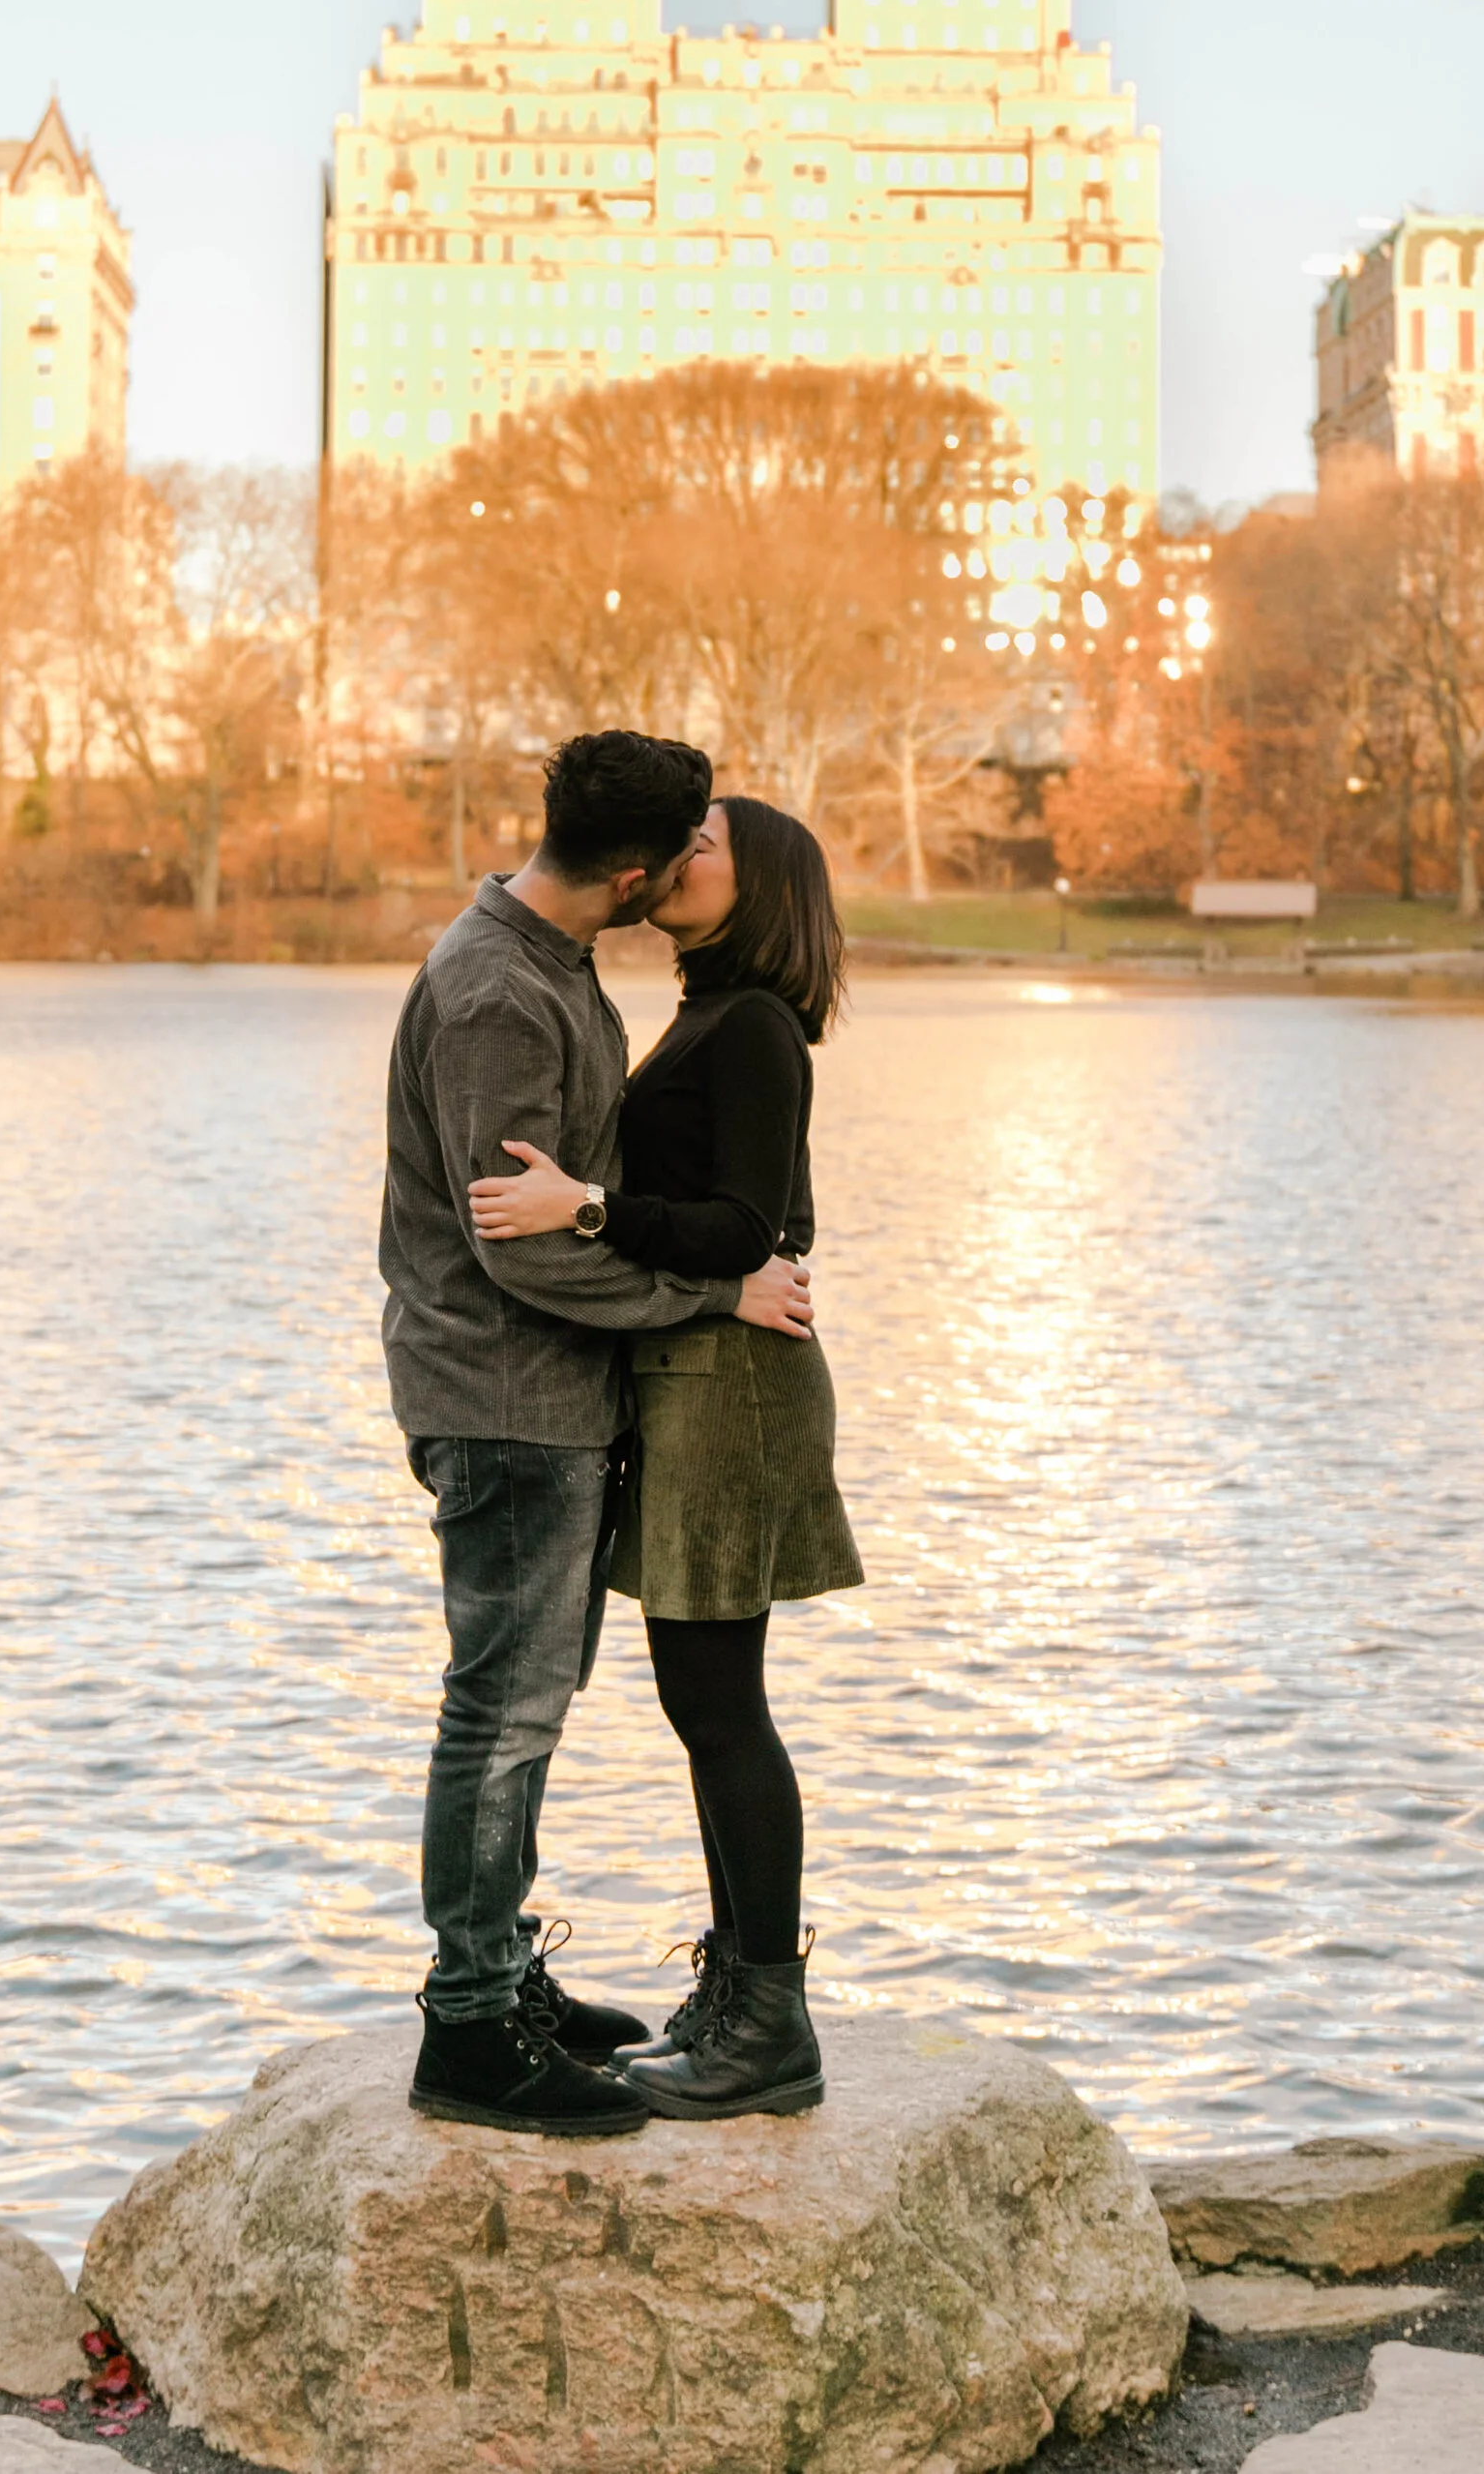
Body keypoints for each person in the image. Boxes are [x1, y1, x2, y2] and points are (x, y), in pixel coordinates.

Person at [379, 730, 817, 2137]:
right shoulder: (502, 991)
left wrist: (695, 1251)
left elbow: (627, 1195)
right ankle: (468, 2022)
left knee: (529, 1700)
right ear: (630, 874)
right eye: (680, 848)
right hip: (507, 1395)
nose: (688, 868)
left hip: (559, 1397)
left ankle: (500, 1977)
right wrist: (718, 1284)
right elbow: (522, 1251)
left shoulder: (559, 968)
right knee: (501, 1709)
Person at [469, 793, 856, 2120]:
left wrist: (580, 1203)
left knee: (718, 1700)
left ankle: (769, 2020)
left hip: (732, 1384)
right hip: (699, 1375)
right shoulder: (710, 1012)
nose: (677, 858)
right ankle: (741, 1997)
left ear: (761, 890)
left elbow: (743, 1221)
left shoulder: (750, 1027)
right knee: (706, 1700)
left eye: (705, 847)